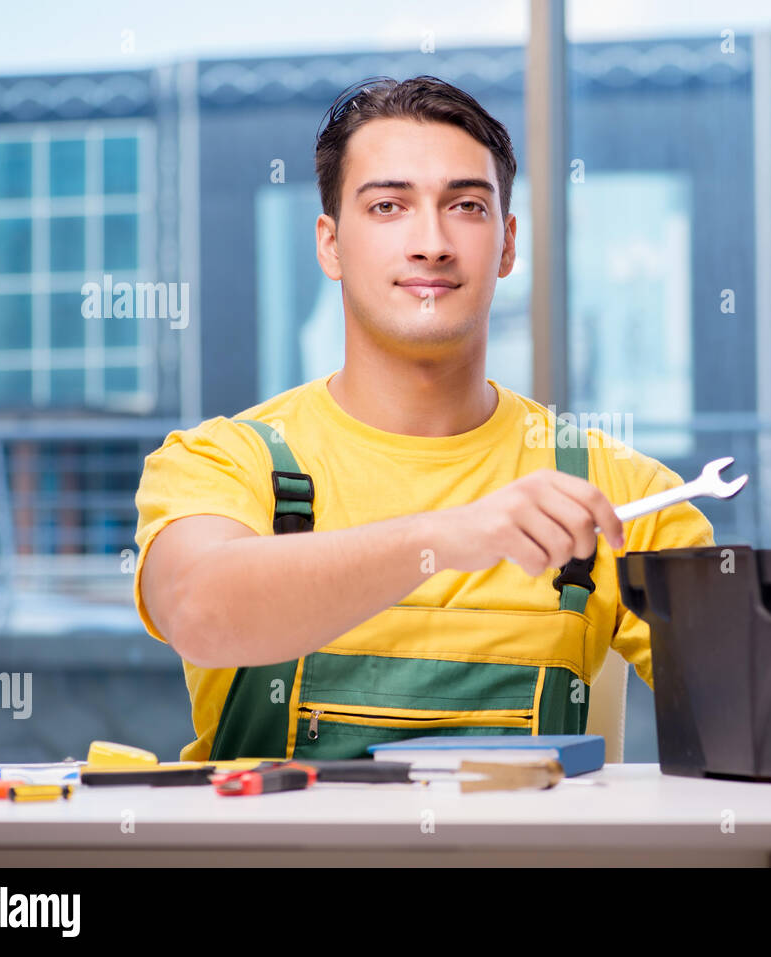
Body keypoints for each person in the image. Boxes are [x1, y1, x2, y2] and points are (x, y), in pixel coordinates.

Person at [133, 75, 718, 762]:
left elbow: (768, 710)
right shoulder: (226, 461)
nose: (431, 242)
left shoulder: (616, 488)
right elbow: (201, 611)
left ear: (506, 244)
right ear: (329, 244)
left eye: (466, 206)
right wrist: (451, 534)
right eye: (388, 205)